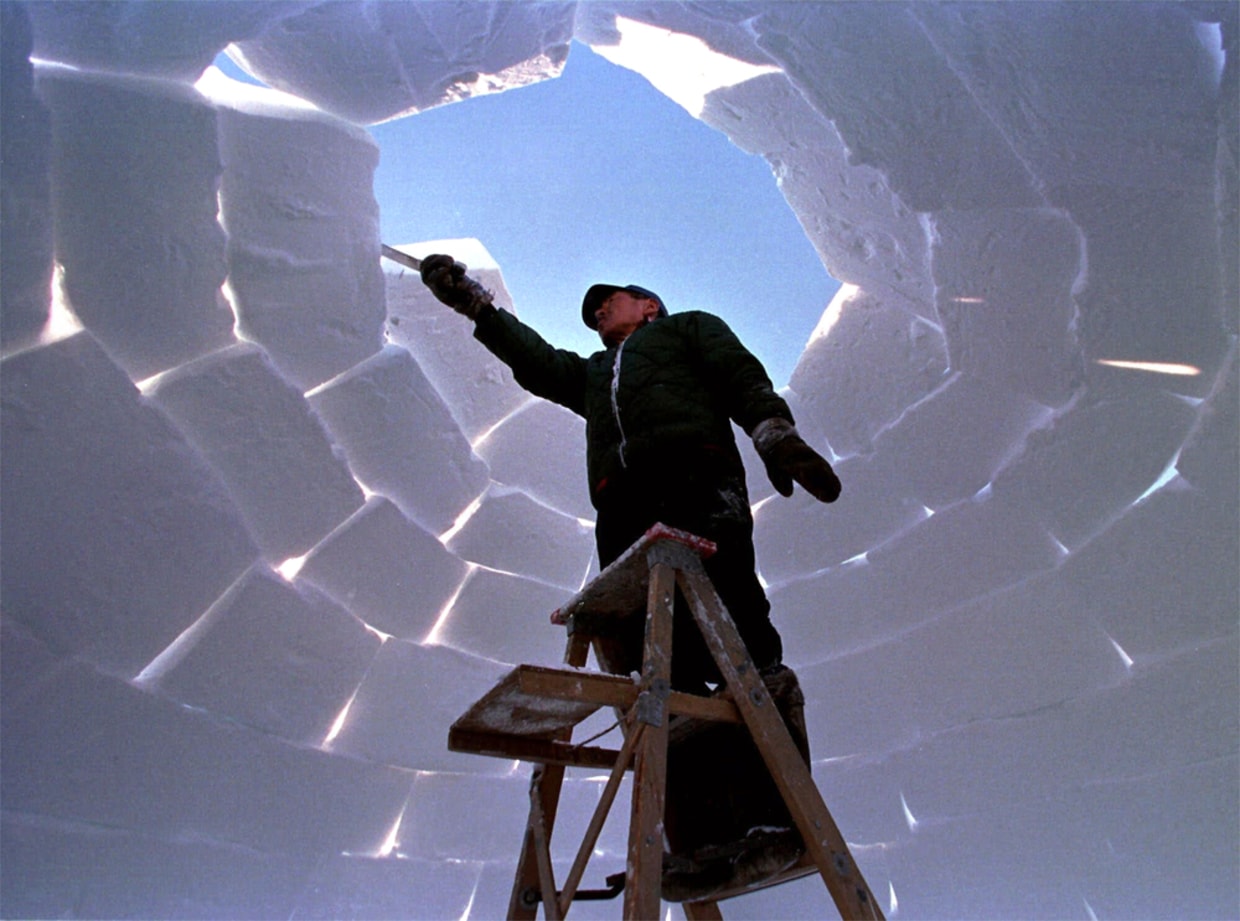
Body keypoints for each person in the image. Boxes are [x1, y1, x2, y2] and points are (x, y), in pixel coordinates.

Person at [419, 254, 841, 900]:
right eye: (591, 314)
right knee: (661, 680)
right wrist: (474, 304)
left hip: (698, 491)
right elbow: (536, 361)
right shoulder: (592, 375)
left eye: (607, 302)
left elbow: (737, 374)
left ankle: (779, 824)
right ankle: (701, 844)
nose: (596, 315)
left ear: (648, 304)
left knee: (742, 645)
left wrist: (772, 432)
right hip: (625, 521)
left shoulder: (685, 330)